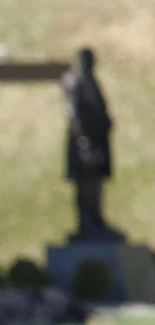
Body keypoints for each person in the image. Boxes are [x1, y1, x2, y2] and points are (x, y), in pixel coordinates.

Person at [60, 48, 119, 241]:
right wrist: (83, 142)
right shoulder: (74, 80)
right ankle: (85, 222)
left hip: (98, 141)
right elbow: (73, 113)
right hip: (83, 144)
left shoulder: (92, 80)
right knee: (85, 184)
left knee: (97, 183)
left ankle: (96, 219)